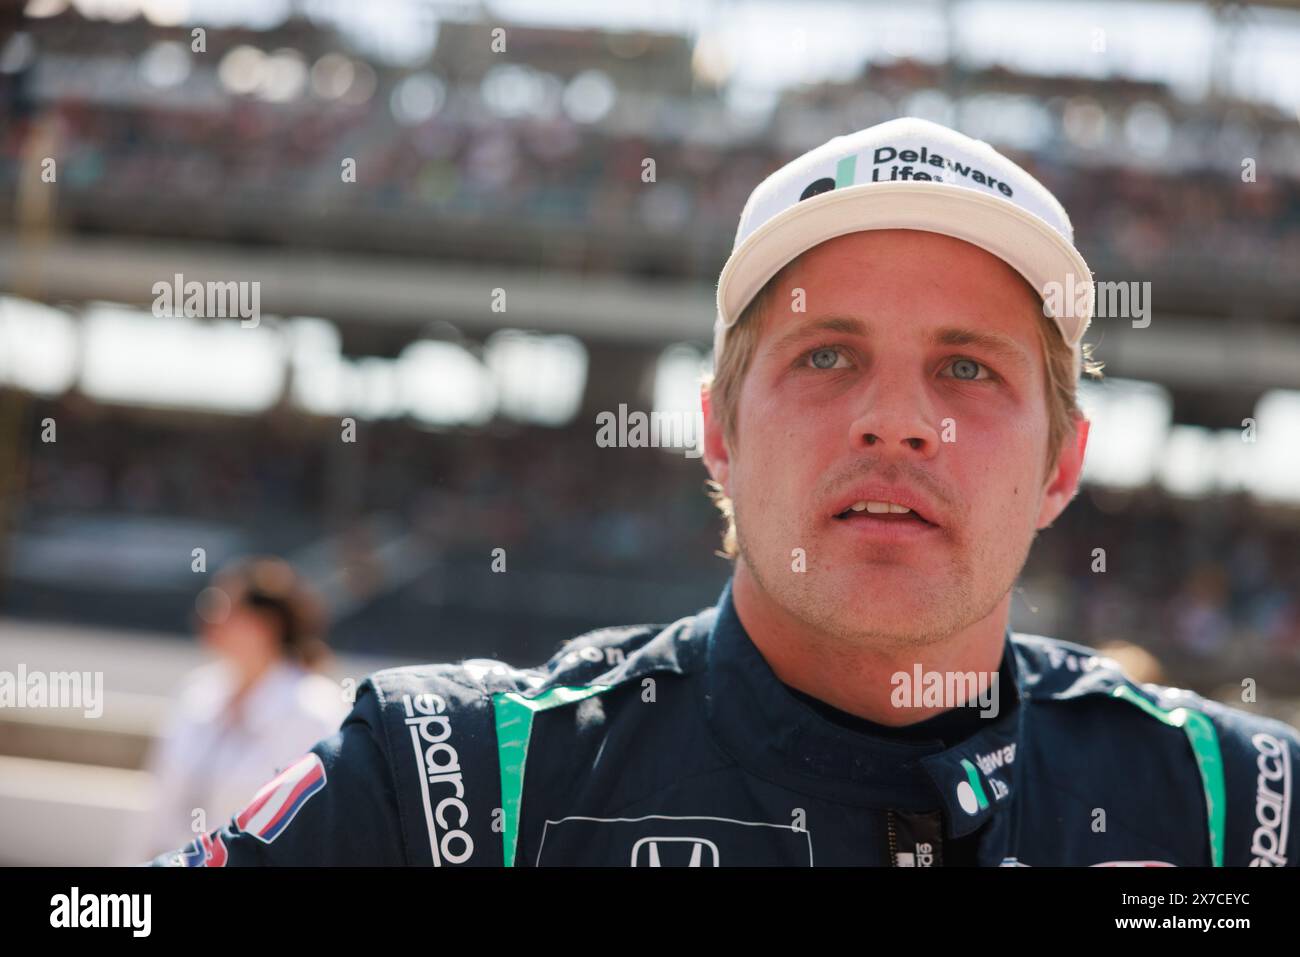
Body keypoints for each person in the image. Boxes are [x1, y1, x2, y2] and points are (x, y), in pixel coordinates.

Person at [154, 118, 1300, 867]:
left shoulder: (1236, 809)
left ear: (1060, 464)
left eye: (966, 366)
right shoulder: (449, 781)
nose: (893, 418)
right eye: (825, 354)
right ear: (717, 432)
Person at [124, 557, 348, 863]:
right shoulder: (198, 693)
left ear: (265, 625)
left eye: (222, 608)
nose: (208, 618)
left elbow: (318, 831)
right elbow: (157, 808)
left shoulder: (316, 711)